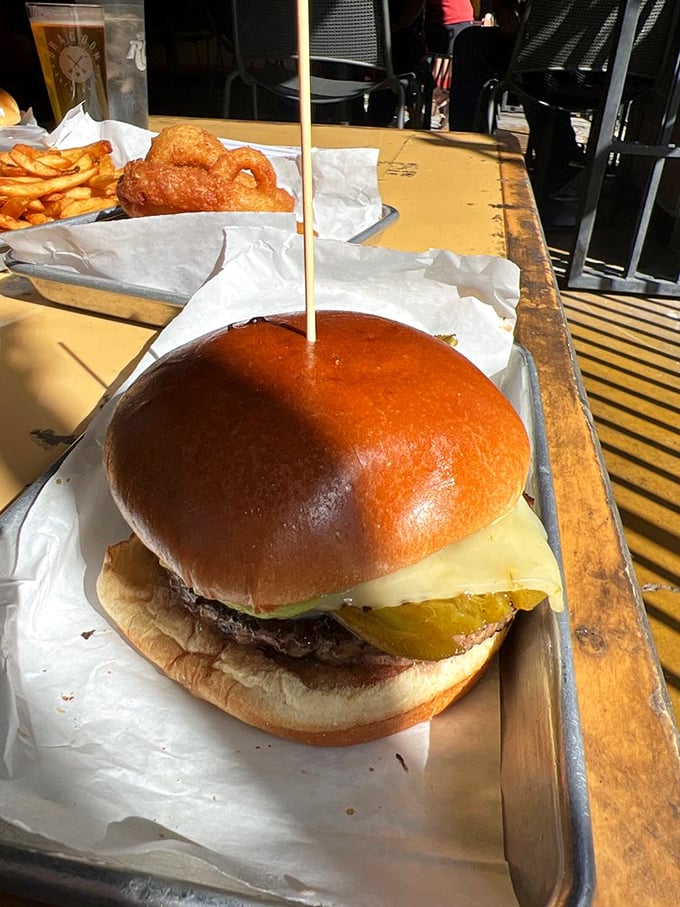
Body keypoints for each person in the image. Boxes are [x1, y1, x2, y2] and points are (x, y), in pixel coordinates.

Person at [448, 1, 582, 199]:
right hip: (619, 71)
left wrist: (506, 13)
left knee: (473, 43)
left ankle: (467, 147)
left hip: (552, 55)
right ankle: (559, 160)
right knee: (533, 66)